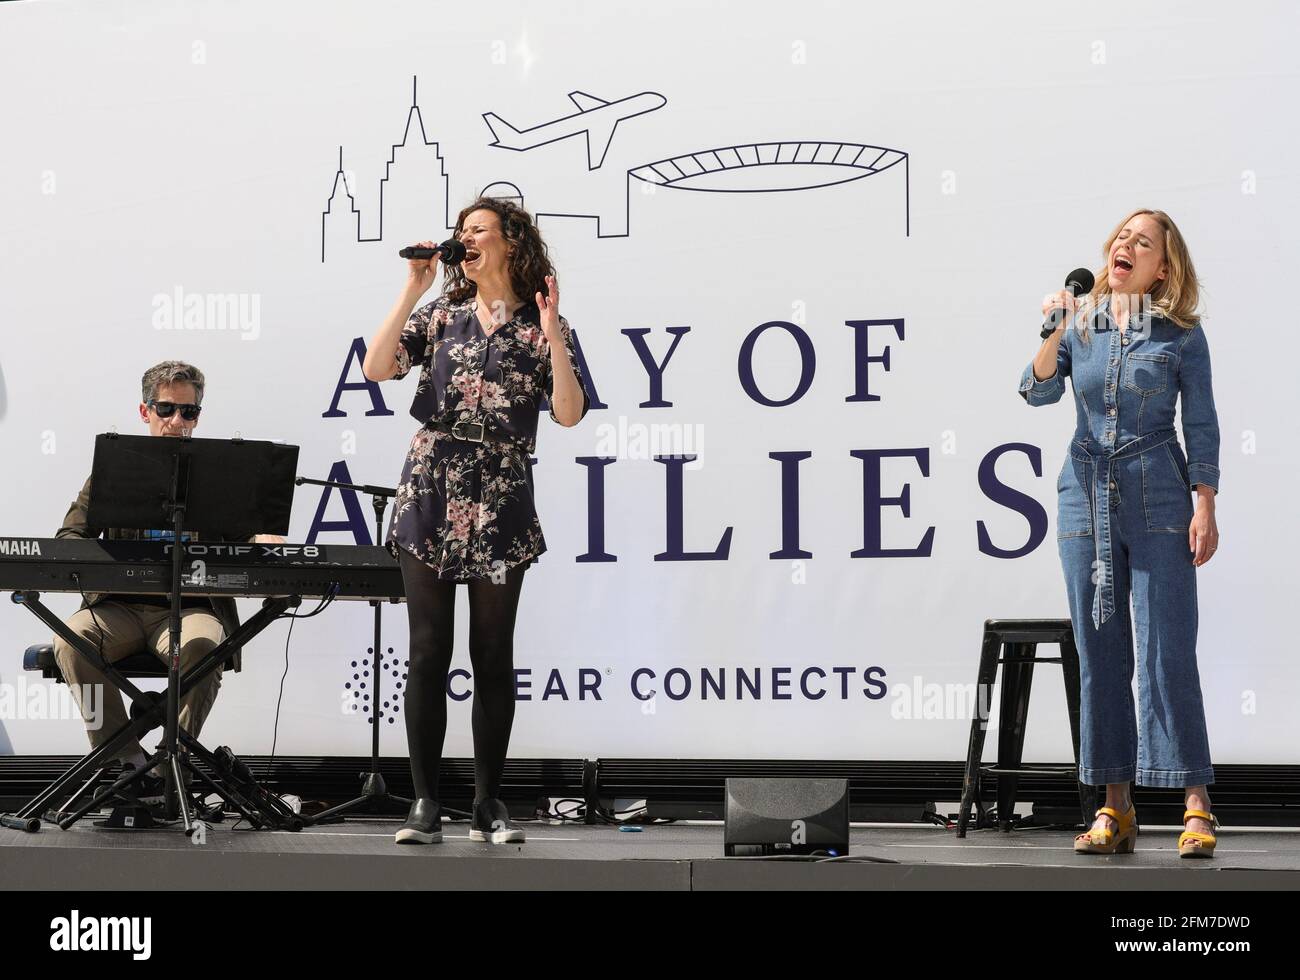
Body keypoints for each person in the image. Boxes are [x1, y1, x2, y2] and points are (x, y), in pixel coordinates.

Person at [363, 197, 590, 845]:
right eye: (461, 232)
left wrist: (550, 332)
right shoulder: (440, 315)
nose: (465, 239)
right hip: (433, 483)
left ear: (510, 243)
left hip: (501, 489)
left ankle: (489, 803)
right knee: (428, 650)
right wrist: (412, 289)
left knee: (492, 653)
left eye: (478, 231)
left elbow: (570, 414)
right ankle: (426, 803)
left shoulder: (546, 323)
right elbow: (378, 368)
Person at [1018, 209, 1222, 858]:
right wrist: (1053, 328)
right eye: (1121, 238)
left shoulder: (1181, 335)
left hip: (1159, 496)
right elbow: (1035, 389)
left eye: (1143, 241)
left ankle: (1195, 804)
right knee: (1102, 659)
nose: (1126, 245)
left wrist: (1205, 503)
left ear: (1164, 267)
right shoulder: (1080, 323)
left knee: (1167, 651)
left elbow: (1204, 424)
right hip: (1086, 502)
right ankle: (1116, 808)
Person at [53, 360, 284, 804]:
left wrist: (262, 536)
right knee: (71, 641)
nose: (177, 421)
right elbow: (69, 537)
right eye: (166, 410)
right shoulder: (110, 472)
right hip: (116, 610)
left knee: (204, 645)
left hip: (190, 608)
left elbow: (247, 535)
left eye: (189, 412)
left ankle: (169, 760)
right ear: (145, 412)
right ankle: (125, 762)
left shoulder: (220, 477)